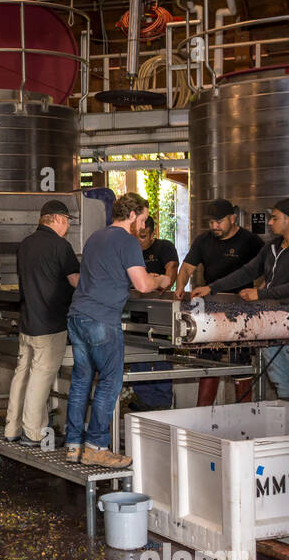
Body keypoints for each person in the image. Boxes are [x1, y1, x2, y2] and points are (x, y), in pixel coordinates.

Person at [65, 192, 171, 467]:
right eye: (144, 219)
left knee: (81, 381)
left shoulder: (95, 237)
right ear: (133, 215)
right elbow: (143, 285)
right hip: (102, 319)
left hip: (77, 315)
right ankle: (96, 447)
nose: (144, 227)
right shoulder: (127, 241)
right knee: (110, 382)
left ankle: (74, 445)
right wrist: (161, 279)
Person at [190, 197, 289, 404]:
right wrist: (211, 287)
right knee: (281, 380)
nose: (269, 223)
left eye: (274, 218)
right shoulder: (272, 247)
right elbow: (247, 272)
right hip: (270, 323)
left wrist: (260, 295)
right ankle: (287, 427)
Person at [4, 199, 80, 447]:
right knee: (41, 377)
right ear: (58, 218)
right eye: (67, 221)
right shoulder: (61, 246)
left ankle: (12, 429)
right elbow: (77, 282)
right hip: (51, 324)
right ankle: (33, 433)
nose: (67, 226)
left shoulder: (25, 245)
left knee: (22, 375)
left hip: (28, 322)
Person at [173, 199, 264, 406]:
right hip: (210, 310)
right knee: (208, 361)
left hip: (241, 311)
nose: (214, 226)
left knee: (240, 362)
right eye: (211, 222)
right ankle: (202, 412)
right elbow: (186, 268)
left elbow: (268, 269)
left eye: (219, 221)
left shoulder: (251, 241)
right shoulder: (203, 240)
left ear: (233, 218)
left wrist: (259, 293)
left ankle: (245, 414)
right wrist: (180, 286)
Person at [128, 214, 179, 411]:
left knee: (162, 356)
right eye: (136, 235)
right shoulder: (130, 249)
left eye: (143, 236)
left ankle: (163, 403)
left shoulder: (164, 247)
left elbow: (171, 269)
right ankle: (144, 401)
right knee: (136, 355)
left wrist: (164, 282)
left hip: (160, 312)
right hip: (135, 310)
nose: (139, 240)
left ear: (152, 234)